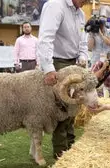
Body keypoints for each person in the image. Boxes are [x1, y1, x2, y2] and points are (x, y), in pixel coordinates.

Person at [37, 0, 89, 158]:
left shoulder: (80, 13)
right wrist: (48, 68)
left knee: (73, 106)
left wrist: (83, 55)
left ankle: (70, 144)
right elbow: (46, 38)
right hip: (58, 62)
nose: (87, 2)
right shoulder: (55, 5)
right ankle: (61, 150)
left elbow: (83, 40)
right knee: (61, 109)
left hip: (74, 63)